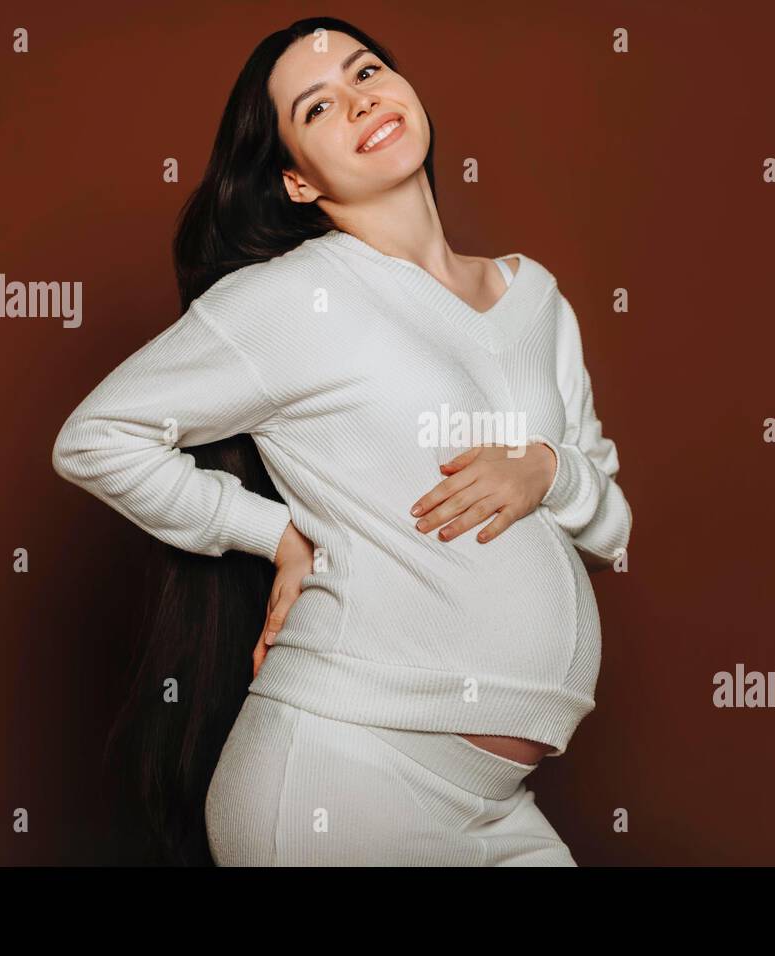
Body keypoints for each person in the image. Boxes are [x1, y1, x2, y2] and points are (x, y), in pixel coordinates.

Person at [50, 16, 632, 866]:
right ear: (294, 180)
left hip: (492, 802)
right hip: (341, 775)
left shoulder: (537, 300)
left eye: (367, 71)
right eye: (319, 107)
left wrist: (549, 470)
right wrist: (274, 534)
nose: (360, 99)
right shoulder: (295, 300)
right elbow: (96, 438)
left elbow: (611, 530)